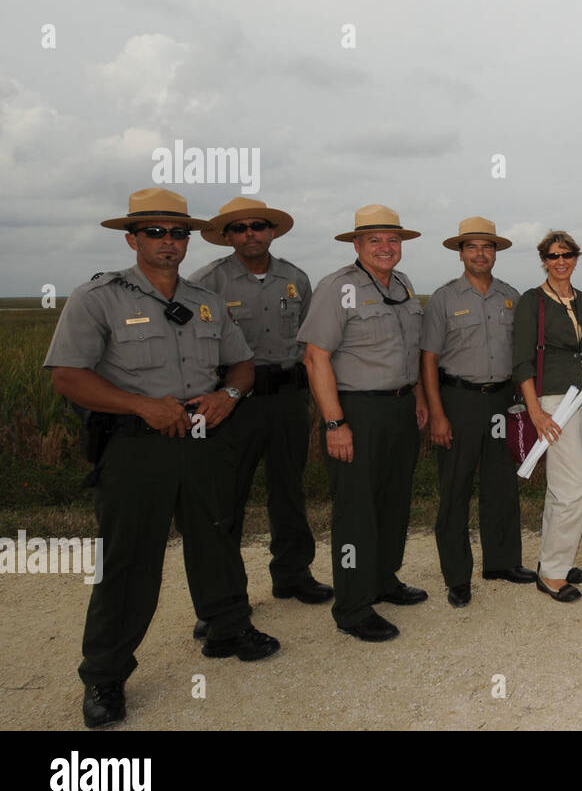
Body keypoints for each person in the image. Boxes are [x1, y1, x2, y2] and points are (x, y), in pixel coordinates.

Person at [45, 188, 279, 729]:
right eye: (155, 232)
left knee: (216, 535)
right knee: (128, 559)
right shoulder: (98, 298)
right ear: (132, 239)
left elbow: (241, 365)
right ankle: (105, 674)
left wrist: (229, 397)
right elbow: (68, 376)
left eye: (177, 233)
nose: (168, 241)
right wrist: (141, 407)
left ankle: (227, 625)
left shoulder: (206, 300)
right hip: (135, 446)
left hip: (202, 439)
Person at [189, 197, 331, 633]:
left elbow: (311, 344)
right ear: (228, 236)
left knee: (288, 491)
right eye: (240, 228)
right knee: (225, 500)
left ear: (272, 232)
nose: (250, 233)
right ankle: (223, 599)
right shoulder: (207, 282)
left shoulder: (296, 279)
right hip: (234, 402)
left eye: (259, 226)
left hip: (288, 397)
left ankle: (292, 575)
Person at [298, 205, 428, 642]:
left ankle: (383, 580)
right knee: (355, 512)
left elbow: (409, 352)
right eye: (374, 240)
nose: (386, 247)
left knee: (393, 502)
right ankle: (353, 605)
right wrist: (335, 423)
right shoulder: (338, 288)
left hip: (400, 407)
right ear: (357, 245)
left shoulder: (404, 285)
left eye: (393, 239)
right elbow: (315, 358)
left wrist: (419, 400)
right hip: (356, 410)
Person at [421, 217, 534, 609]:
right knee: (456, 487)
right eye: (472, 247)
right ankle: (457, 575)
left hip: (501, 399)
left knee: (501, 484)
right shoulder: (443, 298)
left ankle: (502, 562)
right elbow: (429, 359)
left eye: (487, 247)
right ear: (460, 252)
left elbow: (521, 355)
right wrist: (437, 413)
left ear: (496, 252)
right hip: (459, 400)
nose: (480, 253)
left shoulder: (510, 296)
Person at [513, 231, 582, 601]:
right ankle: (552, 574)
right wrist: (535, 411)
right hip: (552, 400)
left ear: (576, 258)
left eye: (567, 255)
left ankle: (553, 560)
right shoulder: (532, 302)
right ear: (544, 260)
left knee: (560, 486)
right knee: (576, 485)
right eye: (553, 255)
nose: (560, 261)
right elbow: (522, 361)